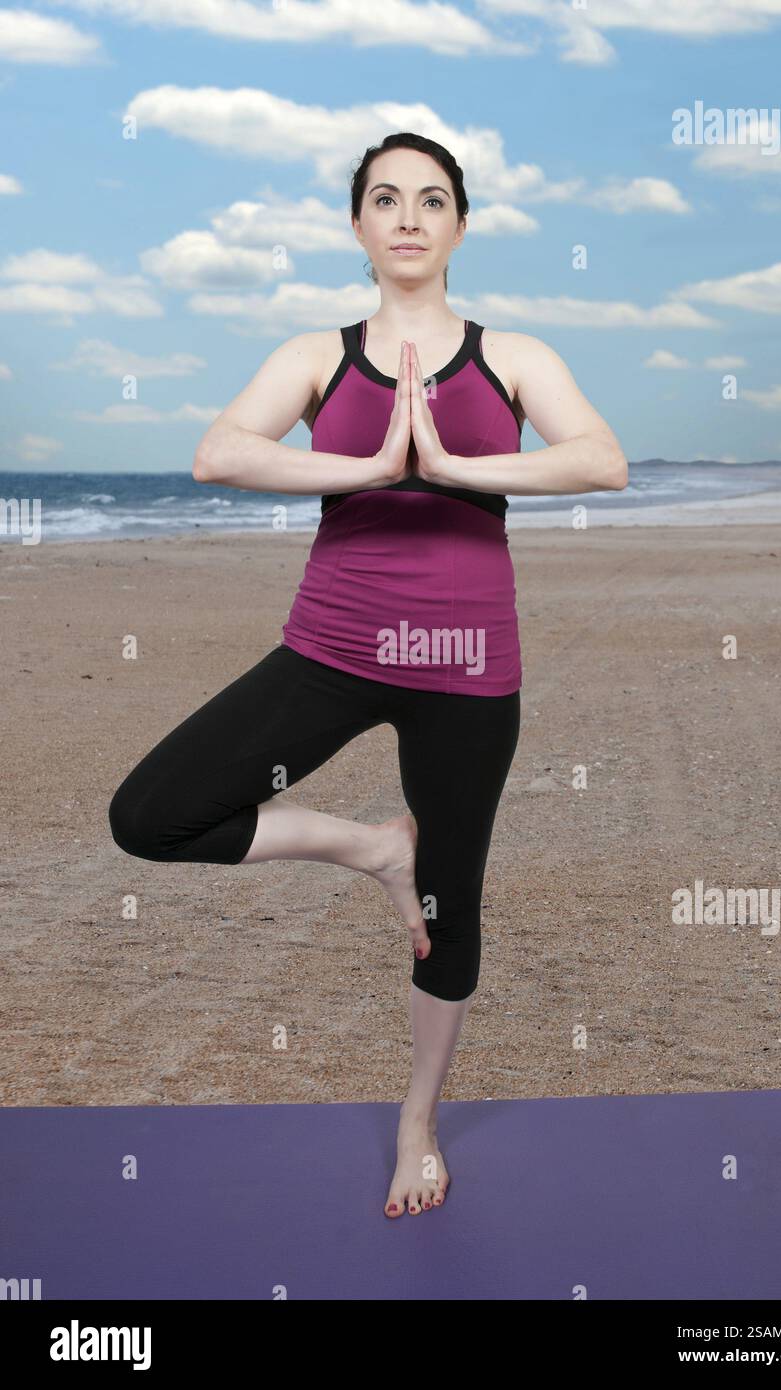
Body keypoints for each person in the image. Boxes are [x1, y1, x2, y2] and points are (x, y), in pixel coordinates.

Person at [108, 131, 627, 1219]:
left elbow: (599, 458)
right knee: (150, 816)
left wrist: (450, 467)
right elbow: (218, 451)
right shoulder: (314, 353)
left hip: (466, 669)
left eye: (429, 200)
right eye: (383, 198)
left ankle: (416, 1121)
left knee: (452, 910)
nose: (405, 217)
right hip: (332, 653)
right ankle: (367, 847)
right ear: (356, 224)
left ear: (457, 225)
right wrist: (366, 468)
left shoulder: (513, 355)